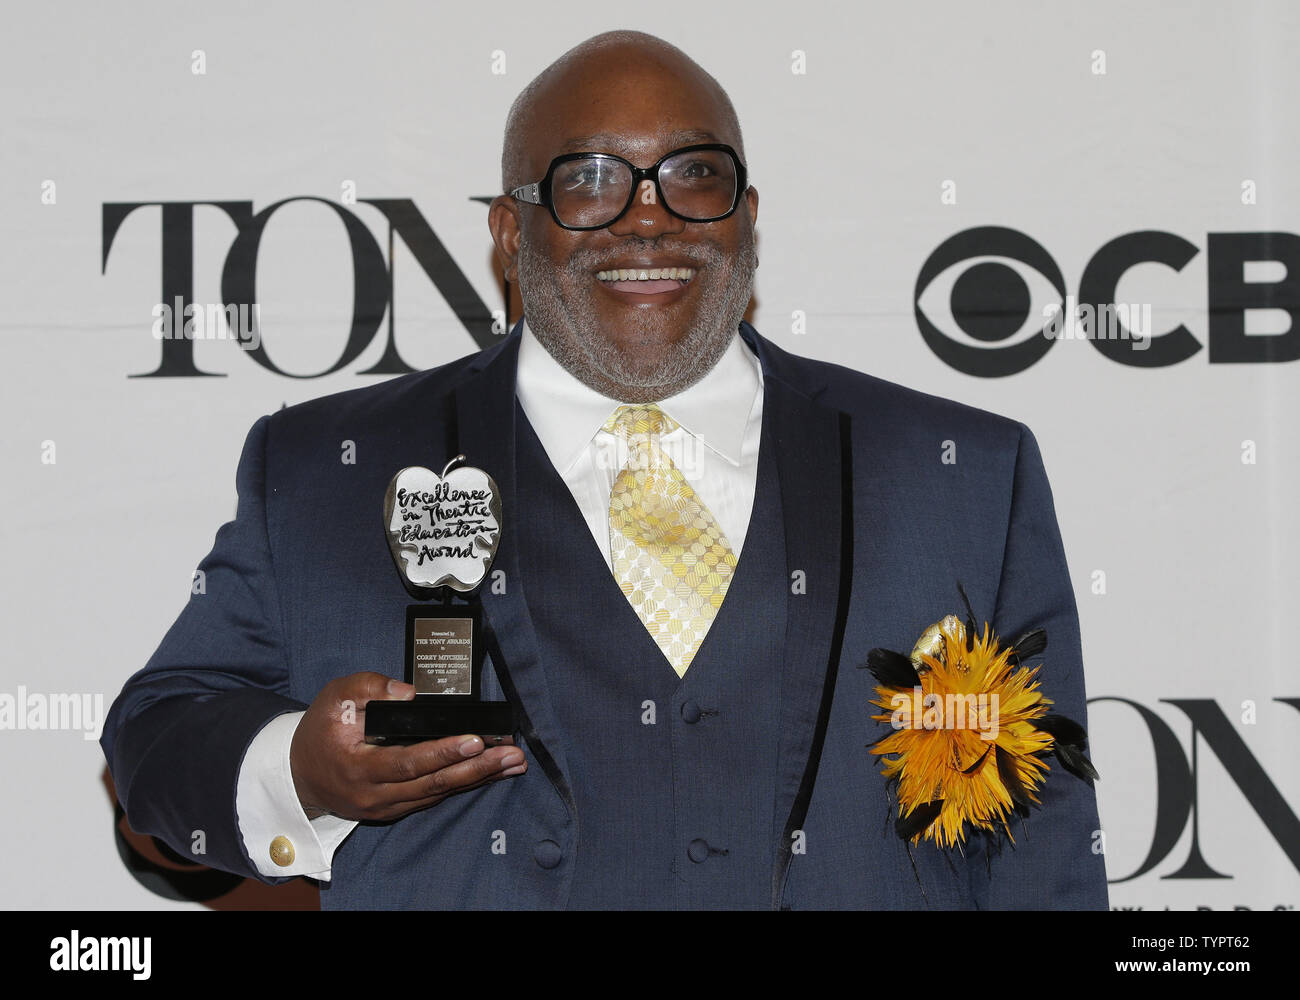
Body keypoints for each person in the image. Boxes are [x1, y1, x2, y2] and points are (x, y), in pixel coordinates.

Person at [102, 30, 1108, 909]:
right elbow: (155, 738)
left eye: (693, 174)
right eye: (588, 179)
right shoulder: (325, 470)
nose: (646, 217)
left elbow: (1045, 843)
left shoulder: (959, 472)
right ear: (509, 229)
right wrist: (306, 774)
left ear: (745, 214)